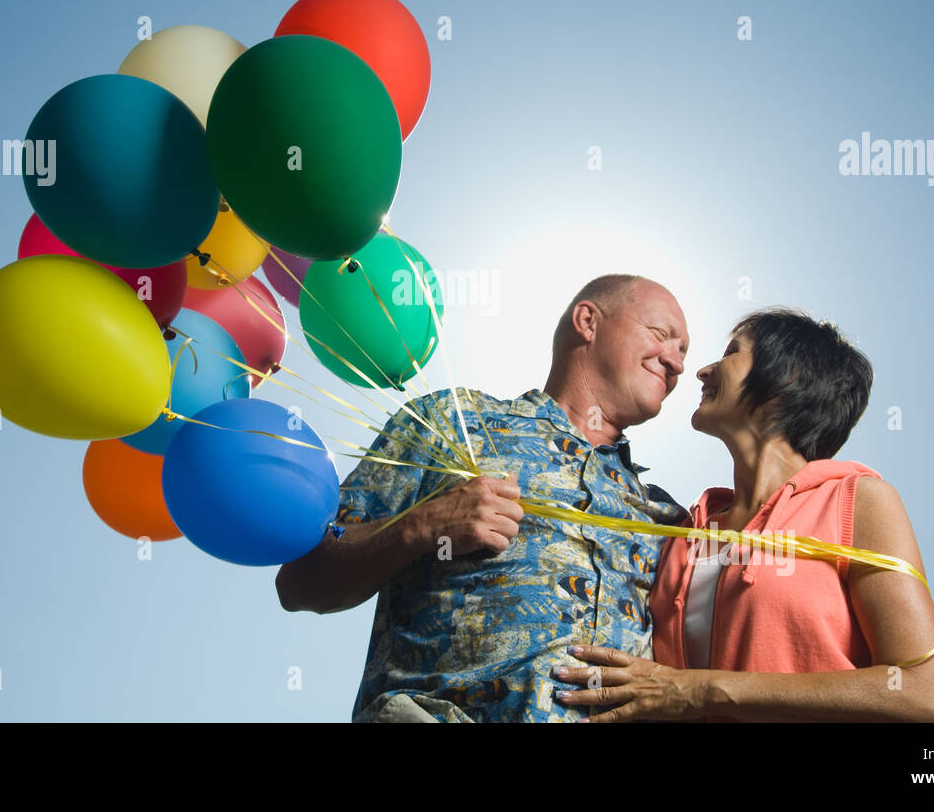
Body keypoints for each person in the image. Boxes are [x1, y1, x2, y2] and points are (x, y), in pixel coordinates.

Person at [275, 274, 692, 722]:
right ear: (587, 322)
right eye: (661, 335)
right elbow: (301, 581)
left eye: (684, 351)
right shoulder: (453, 423)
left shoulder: (666, 519)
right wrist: (422, 526)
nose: (676, 363)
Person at [554, 308, 934, 721]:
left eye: (731, 352)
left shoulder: (857, 502)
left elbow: (925, 696)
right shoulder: (679, 532)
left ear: (789, 378)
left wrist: (703, 690)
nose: (702, 371)